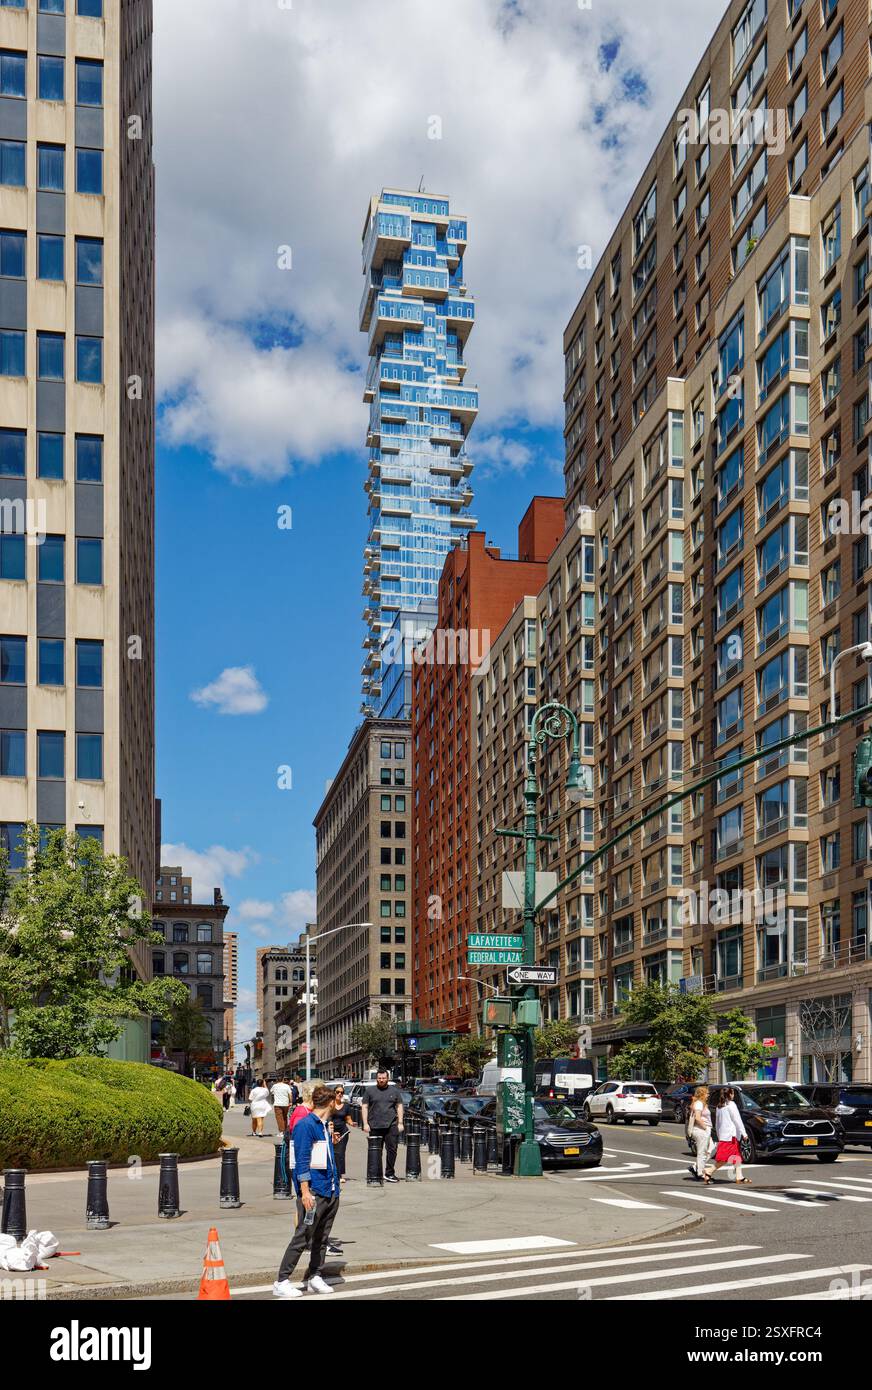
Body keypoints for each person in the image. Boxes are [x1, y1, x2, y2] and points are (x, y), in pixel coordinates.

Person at [272, 1084, 341, 1298]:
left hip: (329, 1189)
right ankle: (282, 1280)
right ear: (330, 1102)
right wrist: (304, 1191)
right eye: (337, 1098)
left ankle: (315, 1276)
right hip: (314, 1191)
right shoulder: (305, 1125)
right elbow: (300, 1160)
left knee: (322, 1237)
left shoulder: (322, 1125)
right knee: (303, 1235)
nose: (340, 1101)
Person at [361, 1068, 404, 1183]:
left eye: (383, 1078)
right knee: (376, 1151)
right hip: (374, 1126)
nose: (381, 1080)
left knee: (392, 1150)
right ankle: (376, 1173)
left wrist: (400, 1122)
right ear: (376, 1078)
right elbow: (364, 1107)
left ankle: (389, 1173)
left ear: (387, 1078)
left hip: (391, 1125)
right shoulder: (370, 1091)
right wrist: (365, 1123)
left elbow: (399, 1106)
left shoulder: (394, 1091)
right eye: (379, 1078)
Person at [705, 1087, 751, 1184]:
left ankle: (739, 1176)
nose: (733, 1095)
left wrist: (718, 1134)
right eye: (733, 1093)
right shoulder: (731, 1105)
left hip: (724, 1135)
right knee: (724, 1159)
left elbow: (717, 1123)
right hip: (730, 1136)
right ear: (729, 1095)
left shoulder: (719, 1106)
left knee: (736, 1157)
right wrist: (744, 1133)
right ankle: (709, 1171)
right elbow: (737, 1120)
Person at [686, 1085, 713, 1181]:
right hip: (700, 1130)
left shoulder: (701, 1103)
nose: (708, 1095)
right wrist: (705, 1127)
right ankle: (700, 1173)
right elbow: (697, 1117)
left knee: (710, 1150)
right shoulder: (698, 1104)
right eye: (707, 1093)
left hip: (704, 1130)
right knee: (702, 1152)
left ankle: (695, 1167)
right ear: (702, 1094)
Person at [330, 1084, 355, 1185]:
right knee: (332, 1152)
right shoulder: (330, 1105)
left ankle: (339, 1175)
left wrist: (352, 1123)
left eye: (342, 1093)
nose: (340, 1094)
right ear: (334, 1093)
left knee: (340, 1153)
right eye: (337, 1092)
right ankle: (331, 1173)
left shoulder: (346, 1106)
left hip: (343, 1132)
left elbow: (348, 1119)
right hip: (331, 1132)